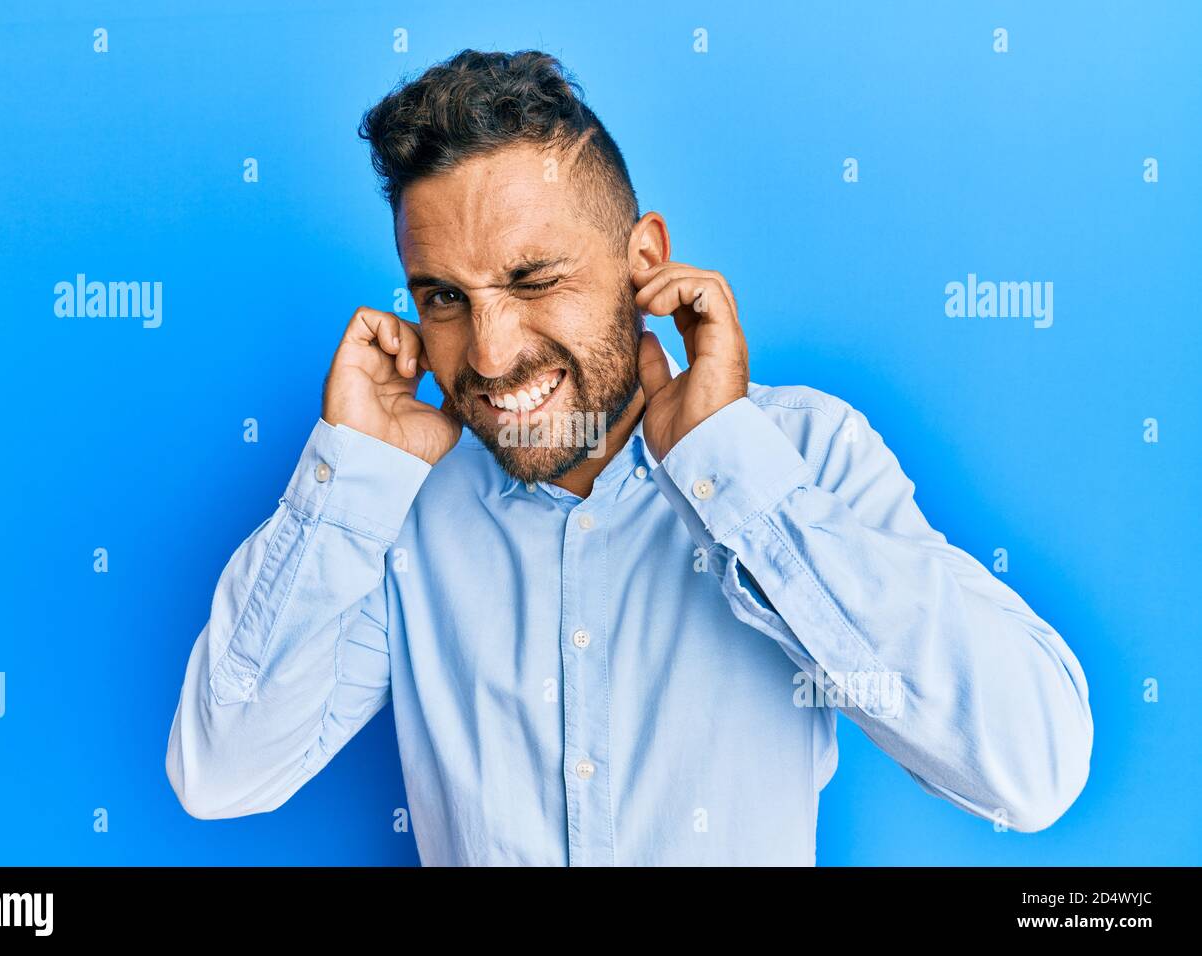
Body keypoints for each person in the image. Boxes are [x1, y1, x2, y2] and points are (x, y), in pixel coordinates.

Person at [164, 49, 1093, 865]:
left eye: (535, 280)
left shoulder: (800, 452)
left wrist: (733, 479)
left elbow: (1031, 767)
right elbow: (221, 771)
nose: (488, 353)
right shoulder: (400, 505)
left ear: (644, 256)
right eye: (444, 296)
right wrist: (350, 481)